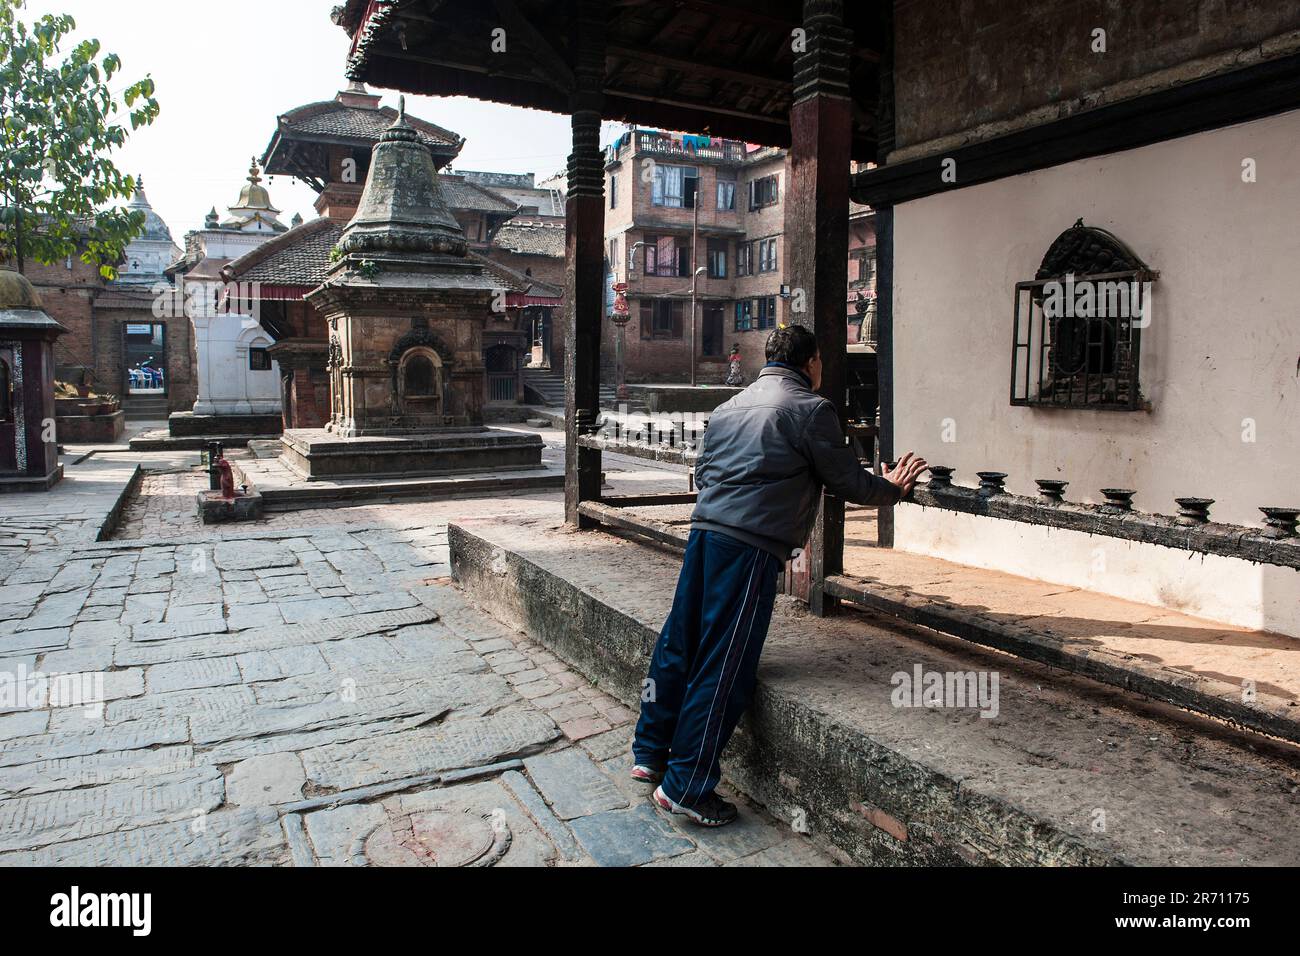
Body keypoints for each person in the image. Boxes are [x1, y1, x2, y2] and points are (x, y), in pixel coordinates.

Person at [633, 324, 928, 826]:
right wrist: (892, 488)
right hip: (749, 545)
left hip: (705, 531)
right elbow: (847, 481)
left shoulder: (729, 407)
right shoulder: (812, 409)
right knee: (726, 661)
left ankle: (650, 750)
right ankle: (685, 784)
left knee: (679, 640)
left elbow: (704, 473)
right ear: (812, 362)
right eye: (820, 363)